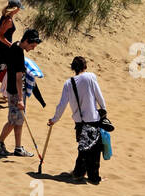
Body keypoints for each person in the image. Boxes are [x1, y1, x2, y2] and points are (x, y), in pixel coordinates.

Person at [47, 55, 113, 184]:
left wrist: (55, 119)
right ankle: (92, 177)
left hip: (79, 122)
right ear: (85, 67)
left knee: (83, 147)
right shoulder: (90, 77)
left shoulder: (68, 83)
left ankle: (79, 173)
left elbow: (62, 104)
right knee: (94, 151)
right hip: (92, 119)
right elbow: (99, 95)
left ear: (73, 68)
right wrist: (104, 110)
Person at [0, 29, 41, 158]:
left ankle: (18, 148)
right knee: (13, 120)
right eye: (31, 46)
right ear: (26, 41)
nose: (32, 49)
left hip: (16, 90)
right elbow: (18, 77)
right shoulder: (18, 52)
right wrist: (20, 99)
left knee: (19, 120)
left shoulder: (15, 45)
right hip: (15, 91)